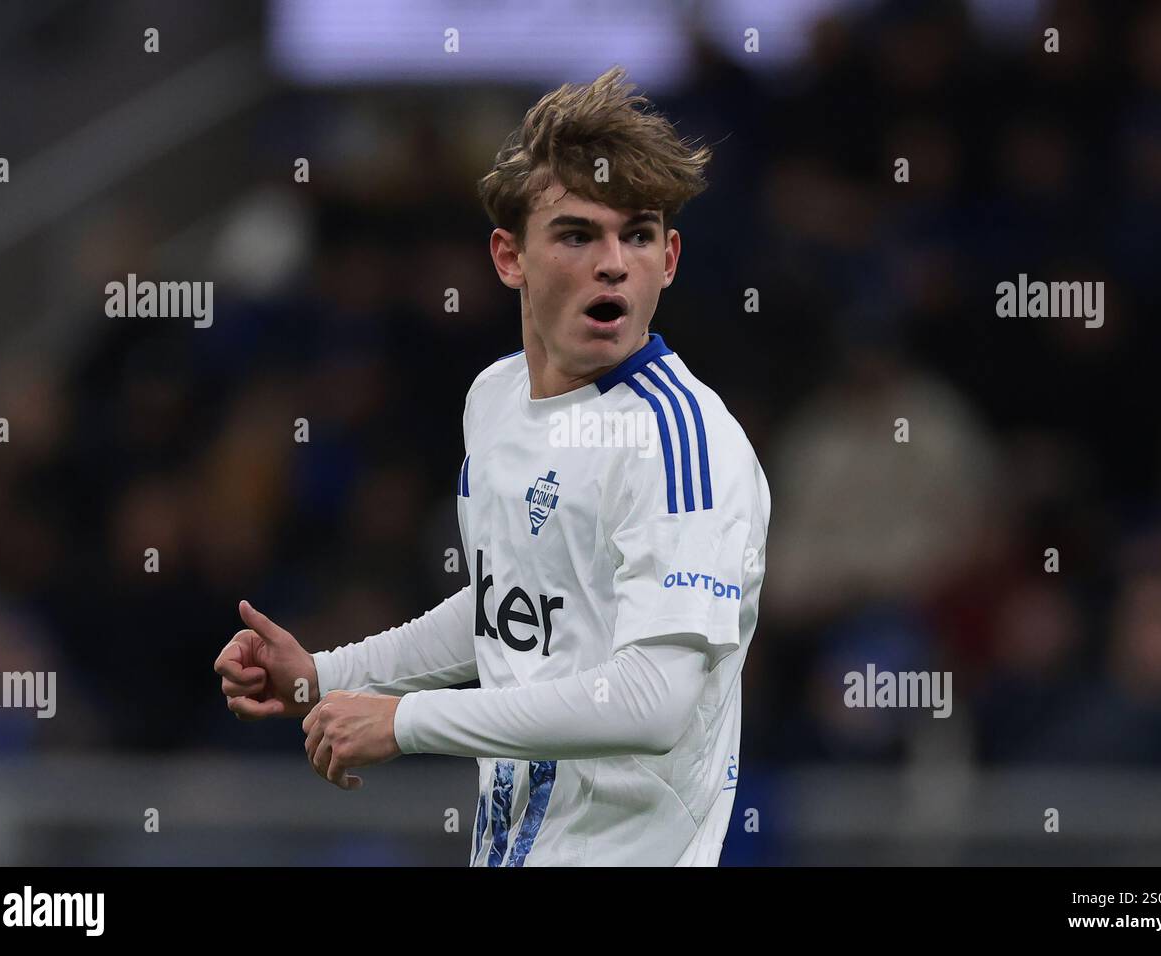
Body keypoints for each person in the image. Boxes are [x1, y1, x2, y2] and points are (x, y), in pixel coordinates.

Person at [214, 66, 770, 866]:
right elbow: (513, 608)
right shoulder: (497, 399)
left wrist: (404, 725)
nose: (613, 262)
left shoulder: (686, 443)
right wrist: (329, 675)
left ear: (671, 257)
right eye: (578, 234)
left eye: (638, 235)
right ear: (509, 257)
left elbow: (656, 702)